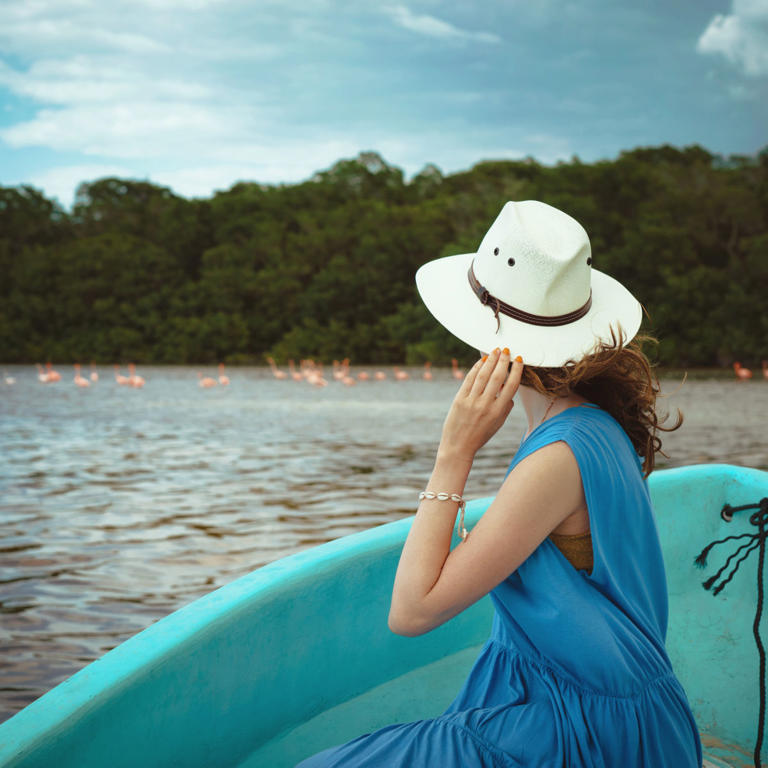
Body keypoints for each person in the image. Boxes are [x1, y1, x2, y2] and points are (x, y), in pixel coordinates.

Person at [297, 200, 702, 767]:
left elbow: (411, 613)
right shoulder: (589, 423)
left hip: (584, 725)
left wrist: (454, 452)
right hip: (608, 702)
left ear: (491, 337)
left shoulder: (556, 457)